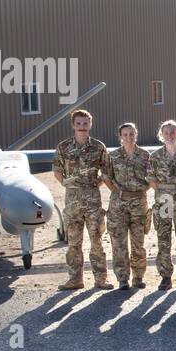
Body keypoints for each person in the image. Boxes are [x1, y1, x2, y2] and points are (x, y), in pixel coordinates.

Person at [52, 108, 111, 290]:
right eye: (78, 124)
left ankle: (100, 279)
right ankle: (75, 279)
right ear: (73, 125)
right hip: (72, 200)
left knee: (96, 241)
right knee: (74, 243)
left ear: (90, 124)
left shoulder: (99, 147)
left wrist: (95, 184)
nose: (82, 127)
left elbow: (107, 171)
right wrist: (66, 183)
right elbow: (57, 170)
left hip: (93, 199)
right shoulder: (63, 147)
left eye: (85, 123)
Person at [103, 122, 151, 289]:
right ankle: (122, 278)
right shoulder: (113, 156)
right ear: (120, 137)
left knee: (138, 242)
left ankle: (138, 278)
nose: (129, 137)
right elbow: (107, 177)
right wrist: (118, 193)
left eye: (132, 134)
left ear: (136, 134)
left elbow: (151, 178)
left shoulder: (145, 156)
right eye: (125, 134)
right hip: (118, 205)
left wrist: (142, 190)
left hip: (139, 203)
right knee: (119, 243)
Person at [146, 120, 176, 290]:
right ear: (161, 135)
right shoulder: (156, 156)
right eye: (166, 133)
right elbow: (151, 179)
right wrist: (166, 191)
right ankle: (166, 276)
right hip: (164, 199)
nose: (170, 136)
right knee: (164, 239)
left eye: (173, 132)